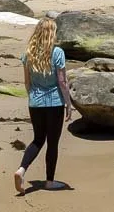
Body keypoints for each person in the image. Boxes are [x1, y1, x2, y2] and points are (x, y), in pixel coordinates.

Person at [14, 16, 72, 194]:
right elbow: (62, 82)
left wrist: (32, 98)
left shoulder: (28, 54)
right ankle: (49, 181)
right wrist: (68, 103)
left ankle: (22, 169)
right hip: (54, 103)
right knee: (52, 143)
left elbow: (27, 83)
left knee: (38, 139)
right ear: (51, 33)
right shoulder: (57, 52)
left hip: (35, 102)